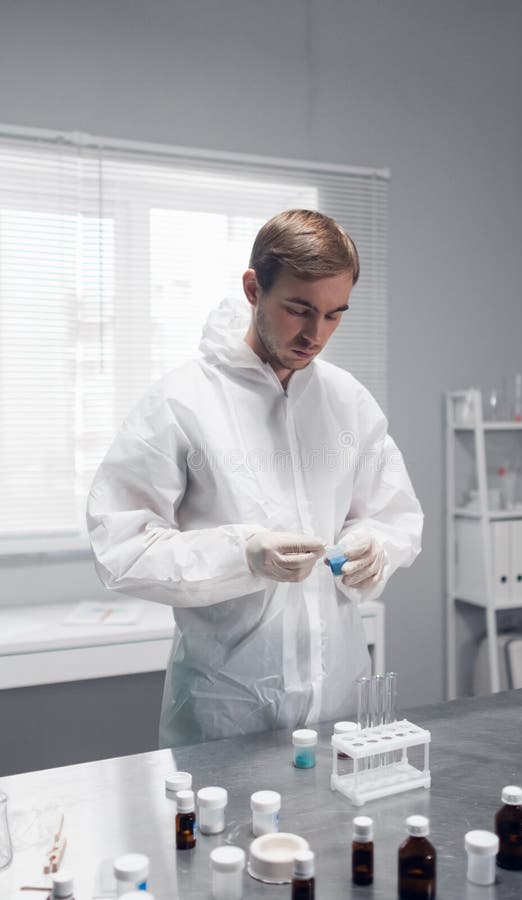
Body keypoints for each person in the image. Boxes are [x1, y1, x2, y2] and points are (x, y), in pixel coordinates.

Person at [87, 209, 423, 748]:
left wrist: (373, 547)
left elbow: (393, 516)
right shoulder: (181, 402)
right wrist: (241, 555)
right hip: (225, 715)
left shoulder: (347, 402)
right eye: (299, 309)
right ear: (253, 288)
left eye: (334, 315)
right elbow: (121, 547)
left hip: (337, 710)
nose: (315, 335)